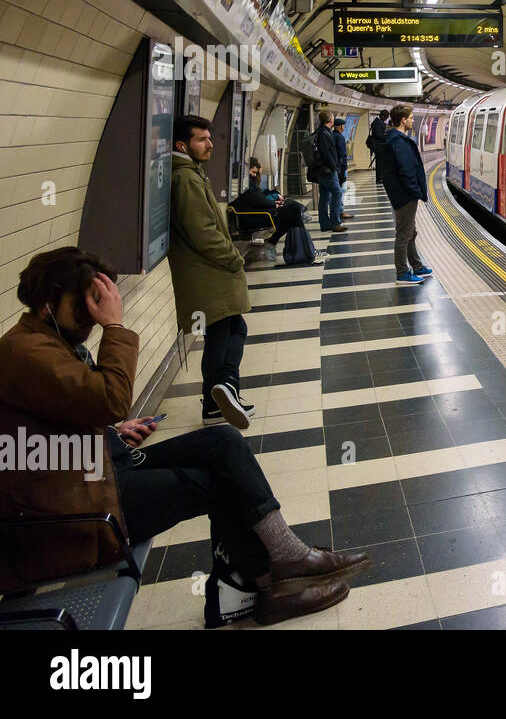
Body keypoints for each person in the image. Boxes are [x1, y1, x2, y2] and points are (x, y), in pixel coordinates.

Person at [0, 248, 370, 625]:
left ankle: (287, 557)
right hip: (78, 513)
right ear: (48, 304)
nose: (91, 319)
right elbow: (110, 399)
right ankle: (271, 583)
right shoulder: (25, 352)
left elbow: (67, 412)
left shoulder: (47, 341)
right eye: (82, 308)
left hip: (95, 475)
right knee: (217, 483)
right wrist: (114, 327)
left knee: (222, 441)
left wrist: (112, 432)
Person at [169, 115, 254, 429]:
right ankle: (220, 392)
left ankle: (221, 397)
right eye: (201, 139)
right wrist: (234, 258)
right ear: (182, 145)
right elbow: (203, 232)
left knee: (228, 331)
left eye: (209, 138)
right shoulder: (187, 179)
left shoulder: (190, 173)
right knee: (224, 333)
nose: (210, 144)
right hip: (207, 272)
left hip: (205, 272)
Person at [377, 105, 432, 286]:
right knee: (403, 235)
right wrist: (416, 192)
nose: (413, 120)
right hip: (405, 195)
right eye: (411, 117)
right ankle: (402, 273)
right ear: (403, 120)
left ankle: (417, 266)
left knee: (411, 232)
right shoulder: (399, 142)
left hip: (402, 193)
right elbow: (406, 171)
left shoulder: (395, 139)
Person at [231, 156, 306, 250]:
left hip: (262, 213)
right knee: (295, 209)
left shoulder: (247, 183)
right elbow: (258, 200)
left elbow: (259, 198)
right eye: (253, 172)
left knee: (294, 211)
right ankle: (299, 246)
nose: (254, 175)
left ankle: (298, 246)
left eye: (256, 173)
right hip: (258, 216)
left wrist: (274, 203)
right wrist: (275, 204)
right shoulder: (245, 185)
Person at [313, 108, 346, 235]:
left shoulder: (320, 131)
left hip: (321, 170)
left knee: (324, 196)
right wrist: (335, 167)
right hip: (327, 171)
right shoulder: (325, 134)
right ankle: (335, 223)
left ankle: (324, 224)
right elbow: (327, 153)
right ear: (330, 119)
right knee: (337, 193)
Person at [332, 116, 355, 220]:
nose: (344, 127)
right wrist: (344, 167)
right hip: (340, 168)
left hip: (335, 168)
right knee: (341, 190)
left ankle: (337, 211)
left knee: (335, 192)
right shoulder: (340, 137)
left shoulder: (331, 135)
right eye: (344, 125)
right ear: (341, 126)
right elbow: (342, 154)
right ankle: (340, 212)